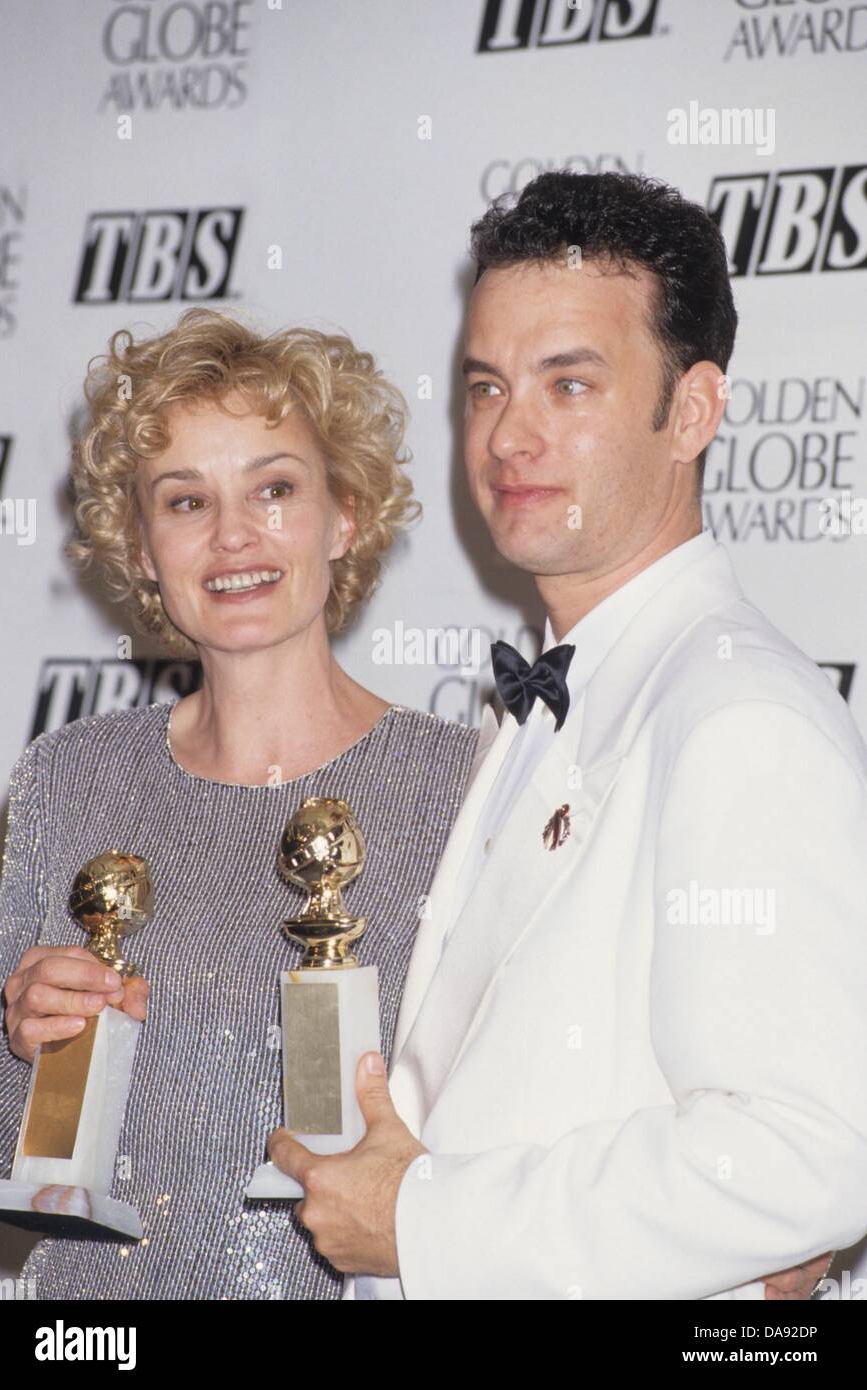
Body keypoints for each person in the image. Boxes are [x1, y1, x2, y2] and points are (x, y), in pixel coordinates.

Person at [268, 172, 867, 1301]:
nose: (511, 434)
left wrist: (427, 1222)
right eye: (487, 386)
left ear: (692, 412)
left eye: (571, 383)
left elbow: (807, 1153)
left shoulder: (741, 718)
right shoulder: (545, 701)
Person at [0, 307, 478, 1299]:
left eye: (275, 488)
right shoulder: (67, 777)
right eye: (185, 501)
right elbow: (5, 1147)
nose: (233, 537)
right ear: (140, 541)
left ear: (346, 514)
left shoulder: (461, 787)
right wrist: (14, 1034)